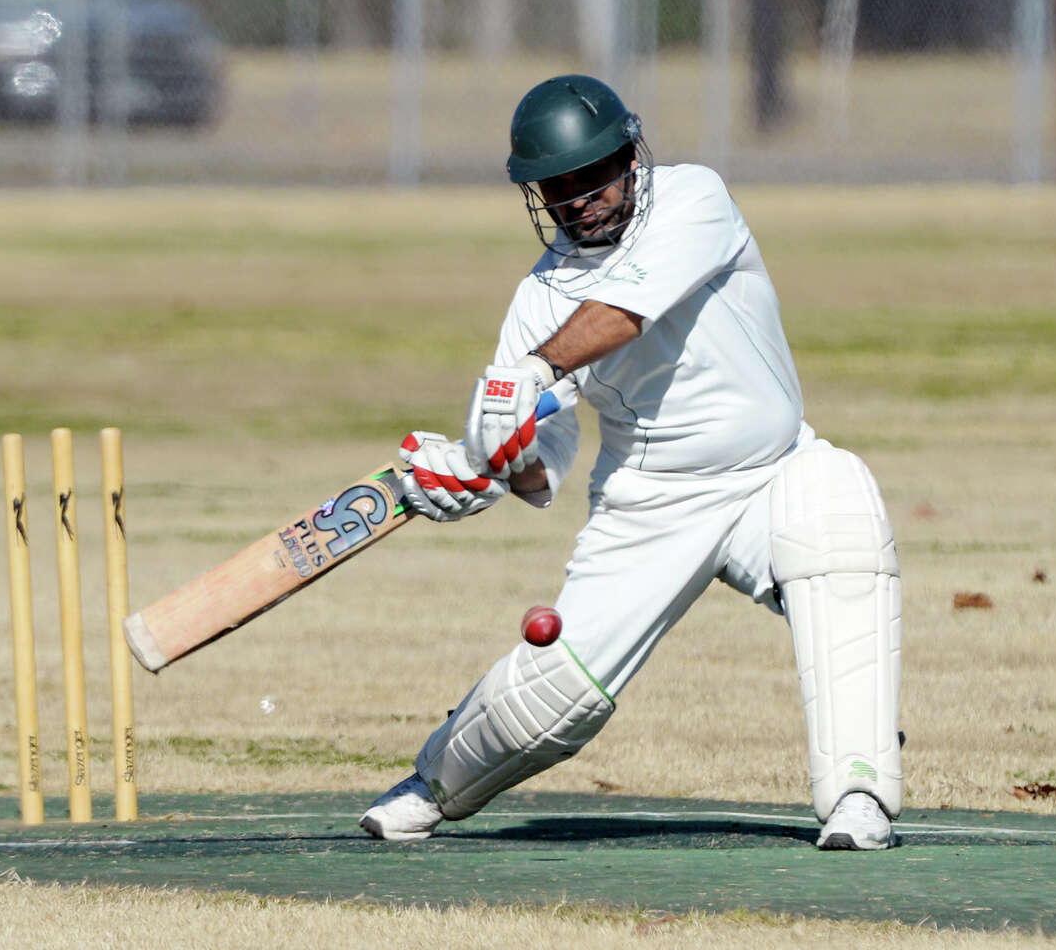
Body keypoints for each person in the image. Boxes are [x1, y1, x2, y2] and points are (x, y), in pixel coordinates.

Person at [359, 75, 902, 851]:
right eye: (559, 187)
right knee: (551, 698)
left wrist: (532, 375)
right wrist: (486, 465)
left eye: (593, 176)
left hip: (772, 469)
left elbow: (620, 313)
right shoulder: (538, 300)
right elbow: (541, 467)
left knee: (840, 523)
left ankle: (860, 797)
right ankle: (433, 785)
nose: (580, 198)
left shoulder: (694, 199)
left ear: (629, 156)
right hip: (648, 507)